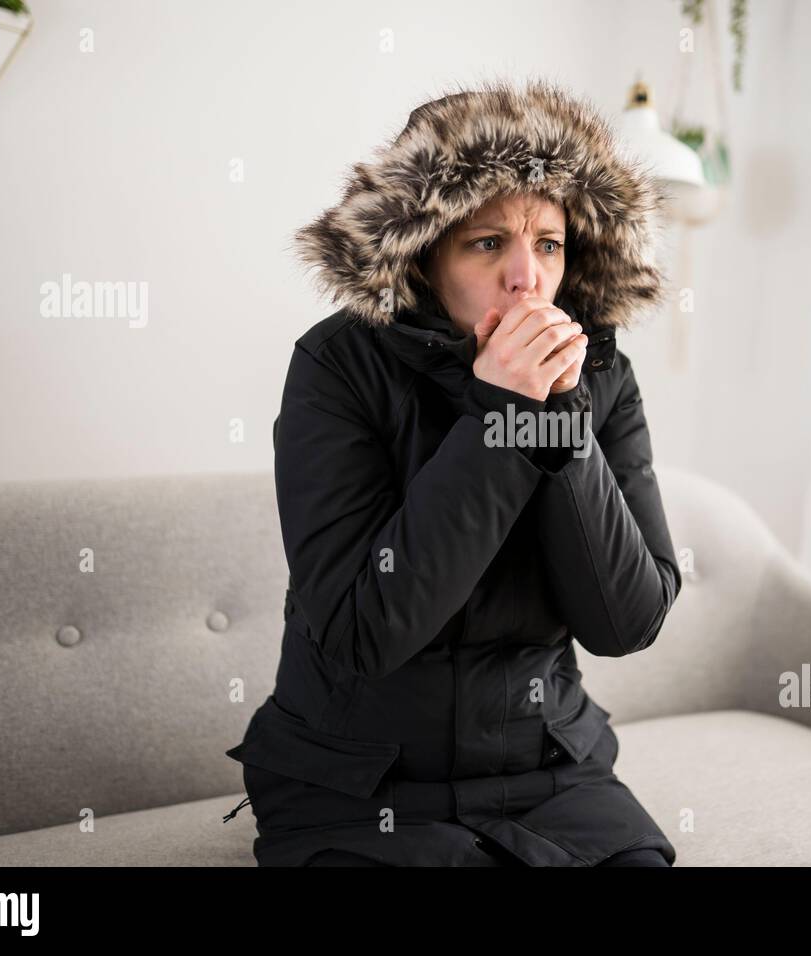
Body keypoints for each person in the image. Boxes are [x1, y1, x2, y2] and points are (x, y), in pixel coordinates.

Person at [223, 77, 683, 867]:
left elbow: (627, 622)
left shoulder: (602, 373)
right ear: (424, 253)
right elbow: (366, 631)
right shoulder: (336, 367)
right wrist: (498, 418)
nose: (526, 278)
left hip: (550, 776)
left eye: (548, 244)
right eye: (486, 242)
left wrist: (556, 419)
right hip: (359, 784)